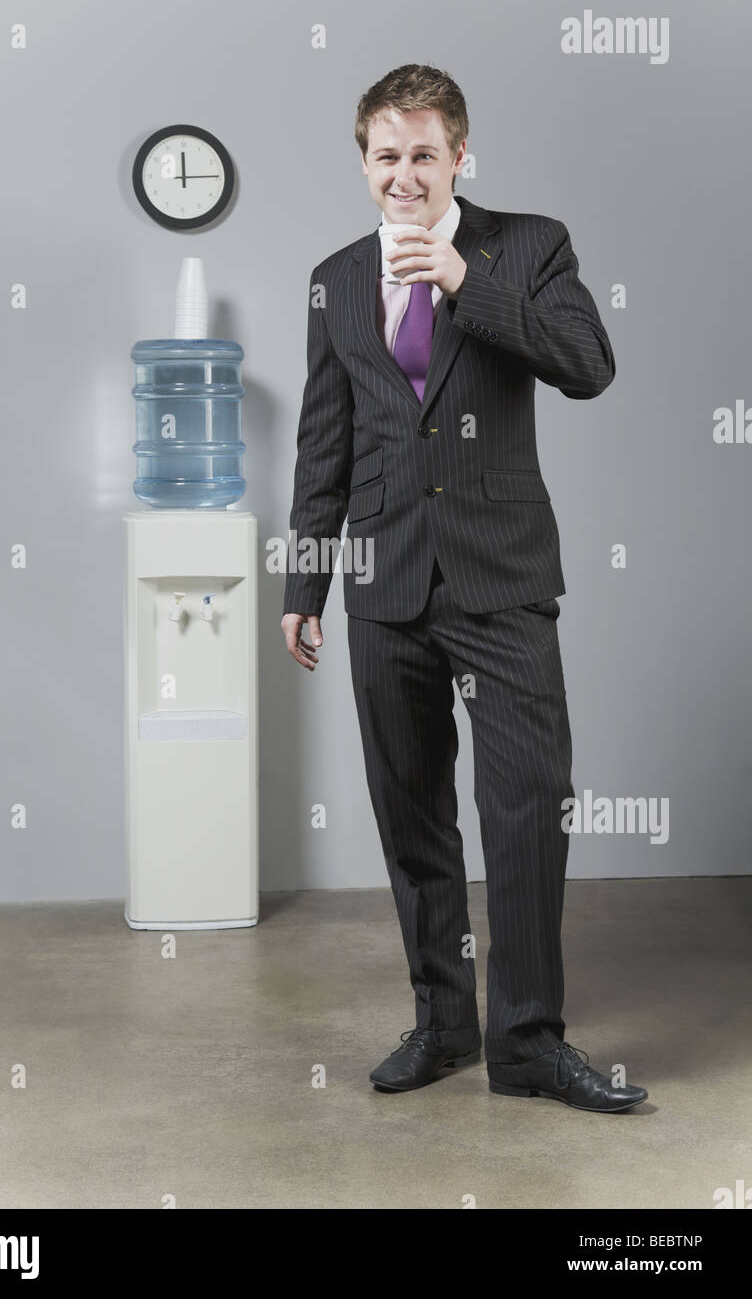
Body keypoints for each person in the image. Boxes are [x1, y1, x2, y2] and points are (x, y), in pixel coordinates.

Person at [281, 63, 647, 1113]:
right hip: (382, 584)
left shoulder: (527, 246)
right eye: (386, 157)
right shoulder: (334, 278)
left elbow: (588, 363)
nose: (405, 175)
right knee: (411, 814)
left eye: (424, 155)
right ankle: (444, 1023)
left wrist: (457, 280)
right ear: (365, 164)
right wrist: (305, 581)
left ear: (460, 159)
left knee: (527, 809)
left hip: (501, 582)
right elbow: (326, 441)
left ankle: (528, 1043)